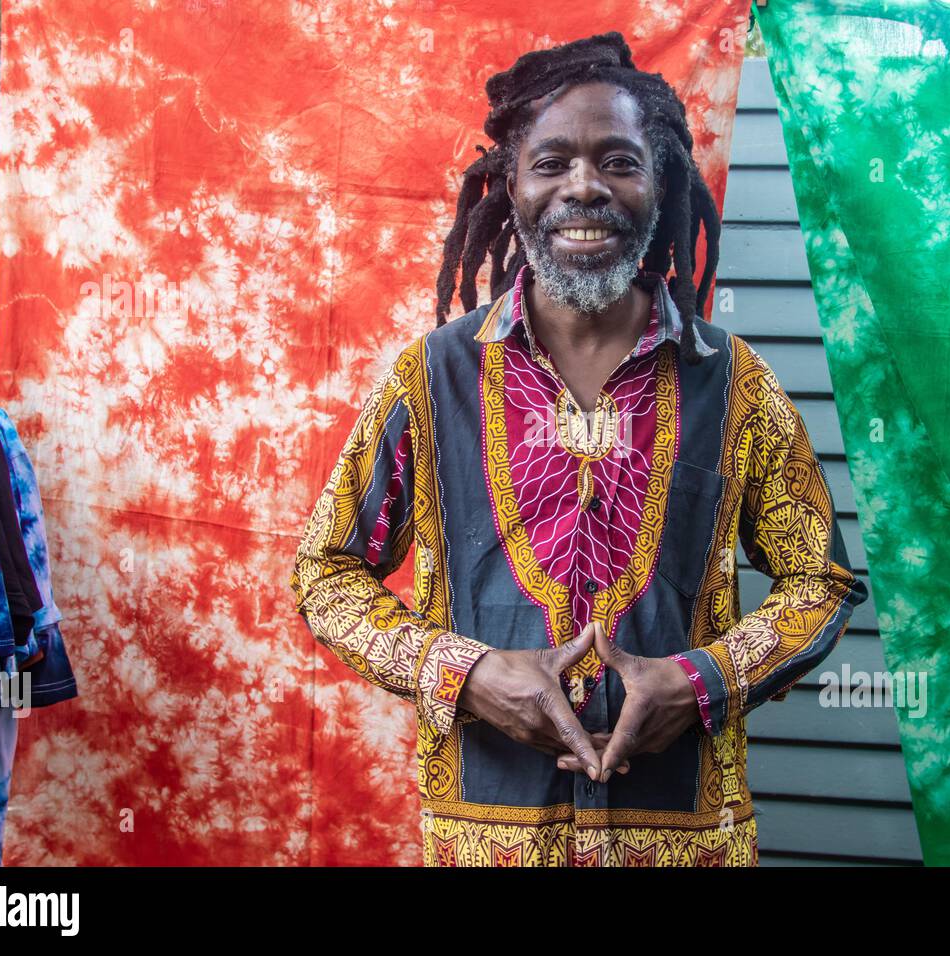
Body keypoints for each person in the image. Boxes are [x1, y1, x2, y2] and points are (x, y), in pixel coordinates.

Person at [290, 31, 868, 867]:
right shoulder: (432, 378)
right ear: (510, 187)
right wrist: (468, 674)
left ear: (660, 182)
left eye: (619, 163)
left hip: (684, 839)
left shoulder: (733, 384)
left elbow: (821, 581)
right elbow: (325, 573)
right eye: (552, 162)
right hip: (489, 839)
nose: (585, 188)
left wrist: (700, 682)